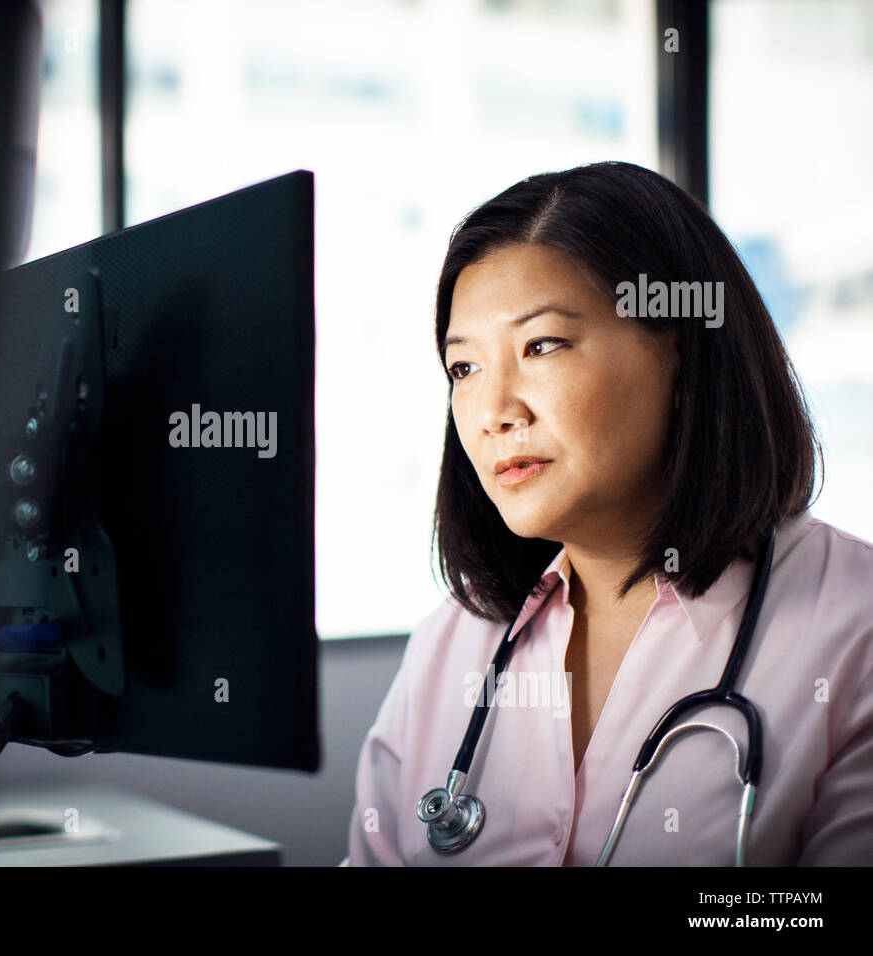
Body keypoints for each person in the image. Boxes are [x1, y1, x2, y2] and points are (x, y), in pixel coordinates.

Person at [341, 161, 873, 866]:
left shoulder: (853, 627)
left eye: (542, 346)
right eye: (464, 368)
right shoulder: (452, 648)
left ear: (680, 352)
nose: (495, 411)